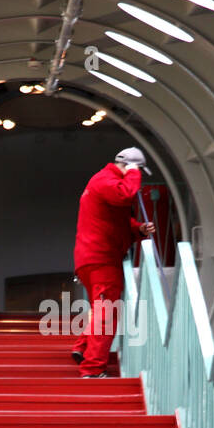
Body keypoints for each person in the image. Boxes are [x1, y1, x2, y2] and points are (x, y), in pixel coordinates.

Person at [70, 147, 156, 378]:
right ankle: (93, 368)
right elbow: (125, 194)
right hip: (103, 258)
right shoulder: (107, 181)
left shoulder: (100, 181)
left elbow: (114, 219)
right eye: (137, 170)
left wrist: (138, 228)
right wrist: (133, 173)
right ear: (130, 166)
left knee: (101, 308)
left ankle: (83, 347)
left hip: (90, 257)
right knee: (107, 312)